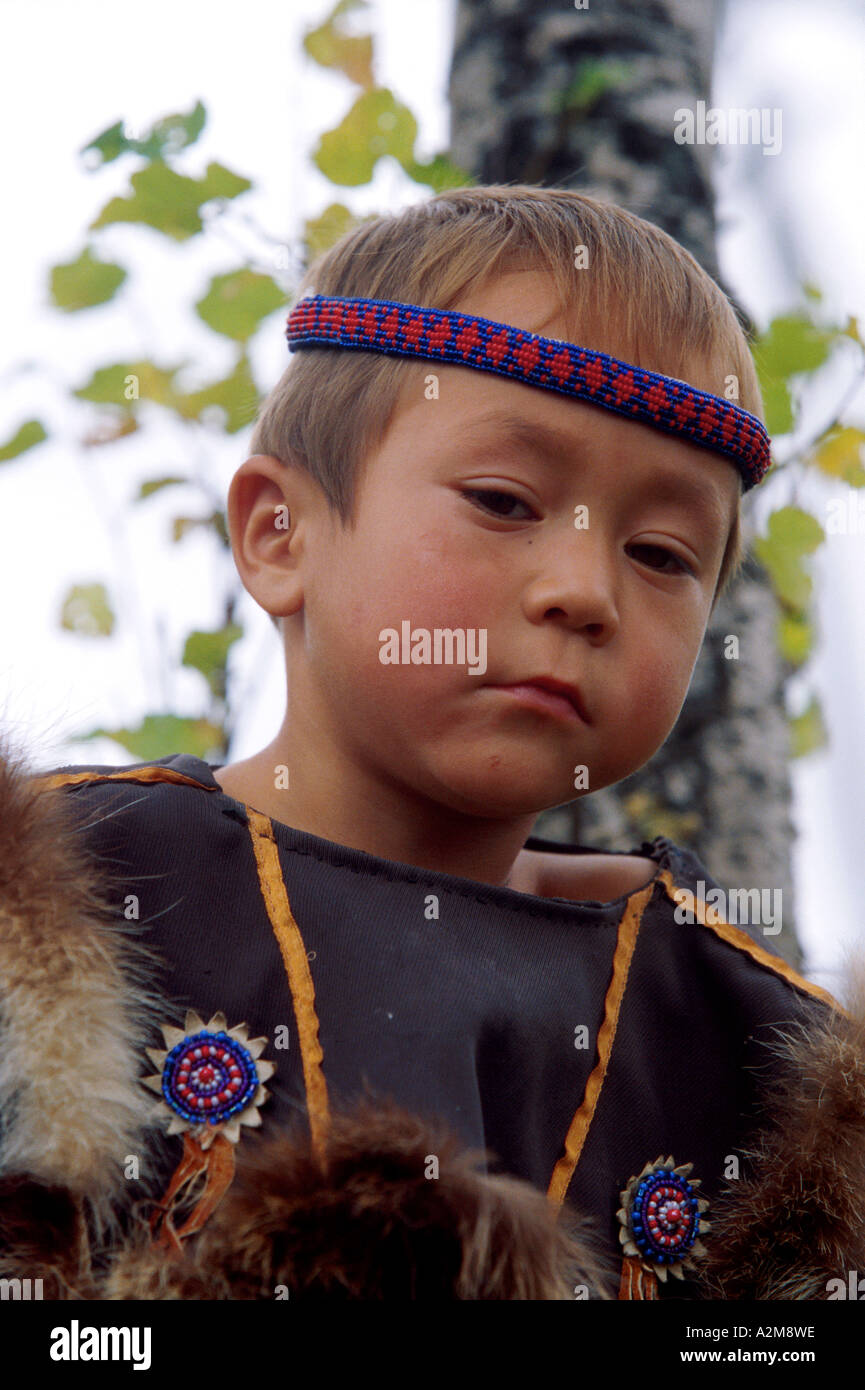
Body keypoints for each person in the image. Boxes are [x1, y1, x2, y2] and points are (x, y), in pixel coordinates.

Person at [2, 186, 863, 1301]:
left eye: (660, 554)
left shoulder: (757, 1058)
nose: (582, 590)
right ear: (279, 534)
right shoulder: (62, 895)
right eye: (504, 500)